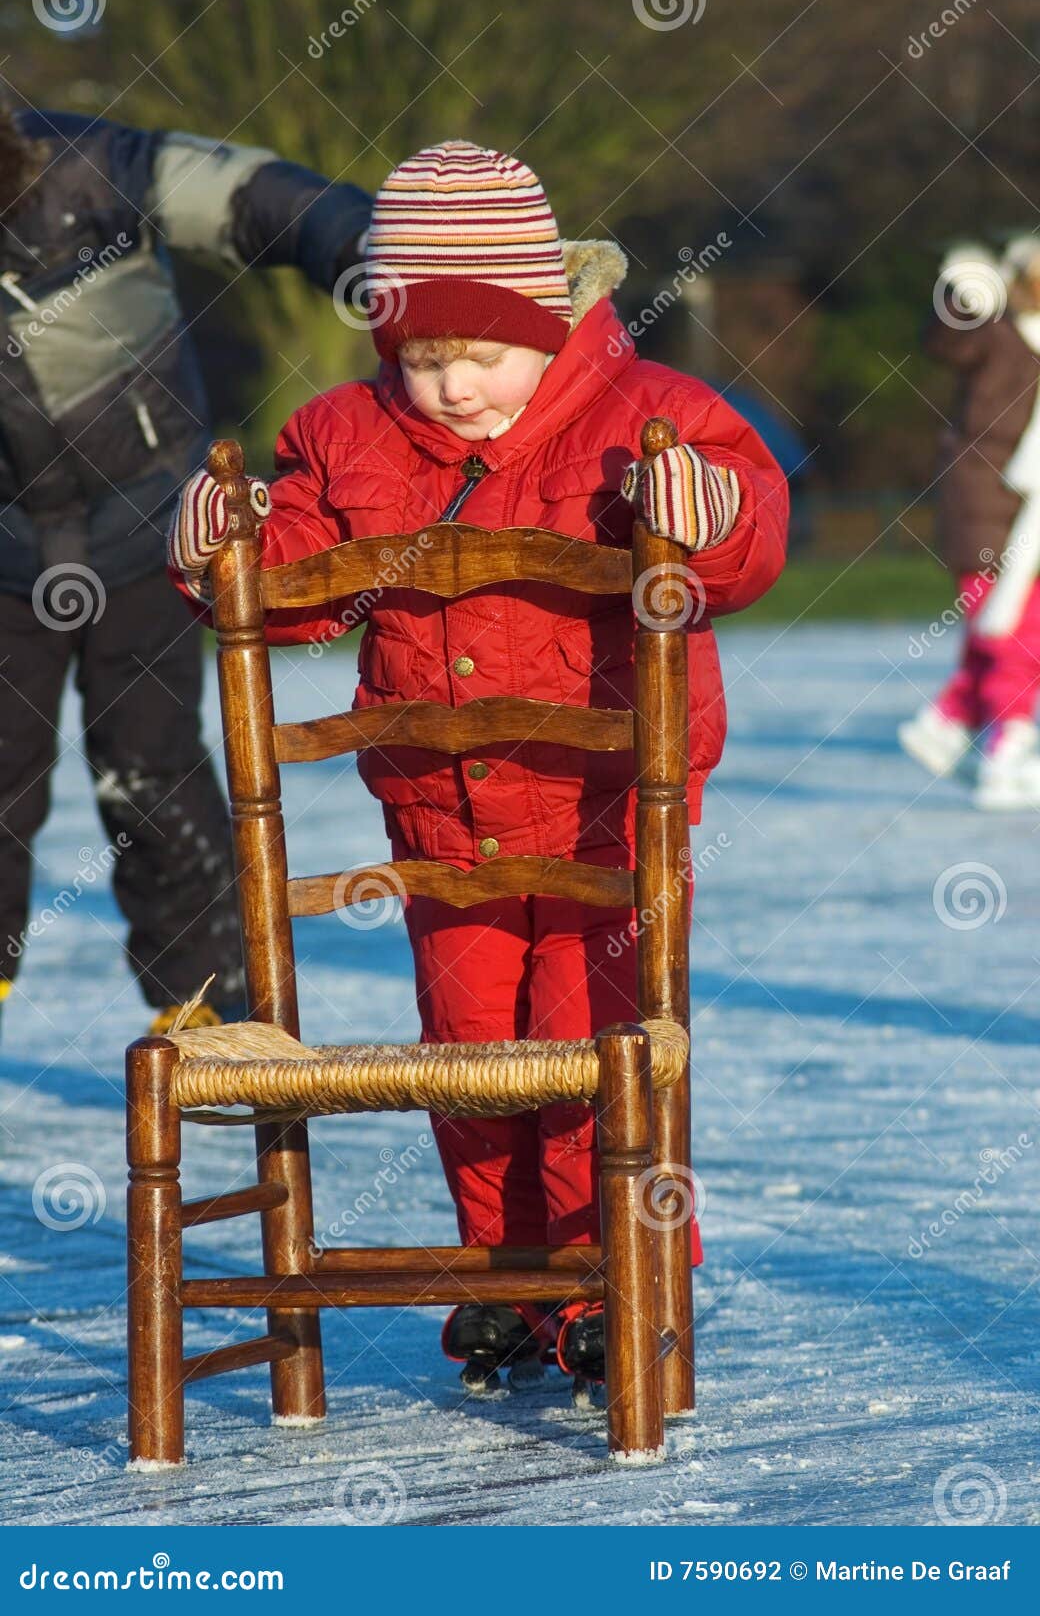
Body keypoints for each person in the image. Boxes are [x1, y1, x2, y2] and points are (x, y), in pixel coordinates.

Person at [168, 140, 788, 1392]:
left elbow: (743, 524)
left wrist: (699, 504)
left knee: (582, 1051)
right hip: (438, 817)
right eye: (419, 357)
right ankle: (496, 1269)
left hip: (605, 820)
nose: (449, 388)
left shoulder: (635, 419)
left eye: (480, 355)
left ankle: (605, 1276)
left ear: (548, 325)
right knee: (464, 1049)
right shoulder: (349, 435)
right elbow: (288, 581)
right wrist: (222, 542)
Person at [0, 100, 370, 1034]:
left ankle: (209, 1011)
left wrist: (376, 256)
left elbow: (255, 198)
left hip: (148, 530)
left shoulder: (89, 165)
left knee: (150, 769)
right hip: (5, 556)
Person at [900, 240, 1040, 810]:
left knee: (1008, 630)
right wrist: (963, 292)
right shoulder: (1002, 336)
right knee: (1013, 638)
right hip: (986, 513)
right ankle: (1003, 752)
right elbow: (947, 339)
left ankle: (949, 720)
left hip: (1020, 518)